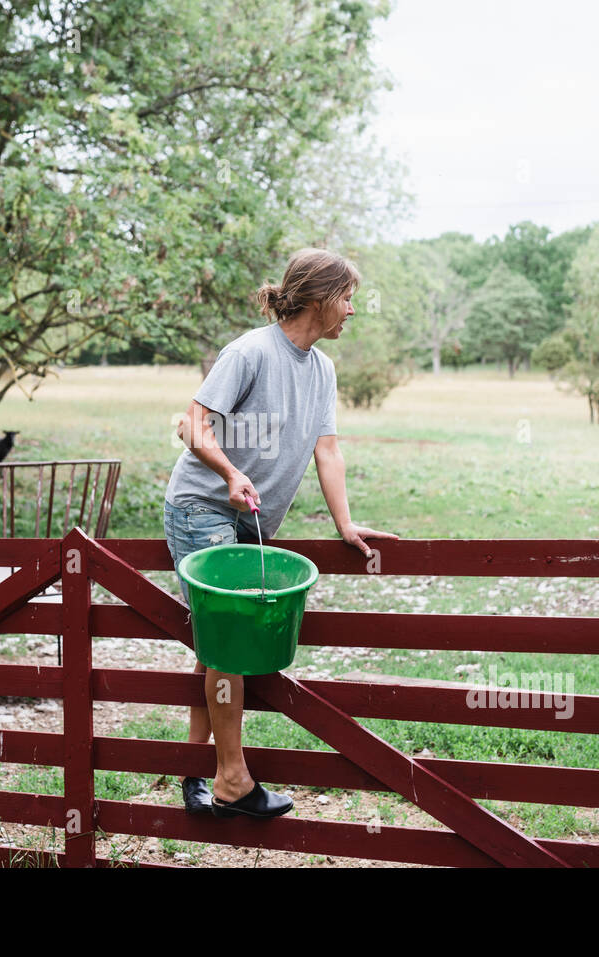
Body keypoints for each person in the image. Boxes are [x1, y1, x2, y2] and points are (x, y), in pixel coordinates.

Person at [163, 246, 399, 819]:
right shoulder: (249, 352)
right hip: (203, 507)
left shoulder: (322, 369)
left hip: (251, 522)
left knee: (213, 651)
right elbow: (191, 424)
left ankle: (196, 776)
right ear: (318, 297)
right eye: (347, 298)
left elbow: (328, 451)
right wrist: (231, 471)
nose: (351, 310)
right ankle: (233, 780)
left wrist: (344, 523)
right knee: (227, 643)